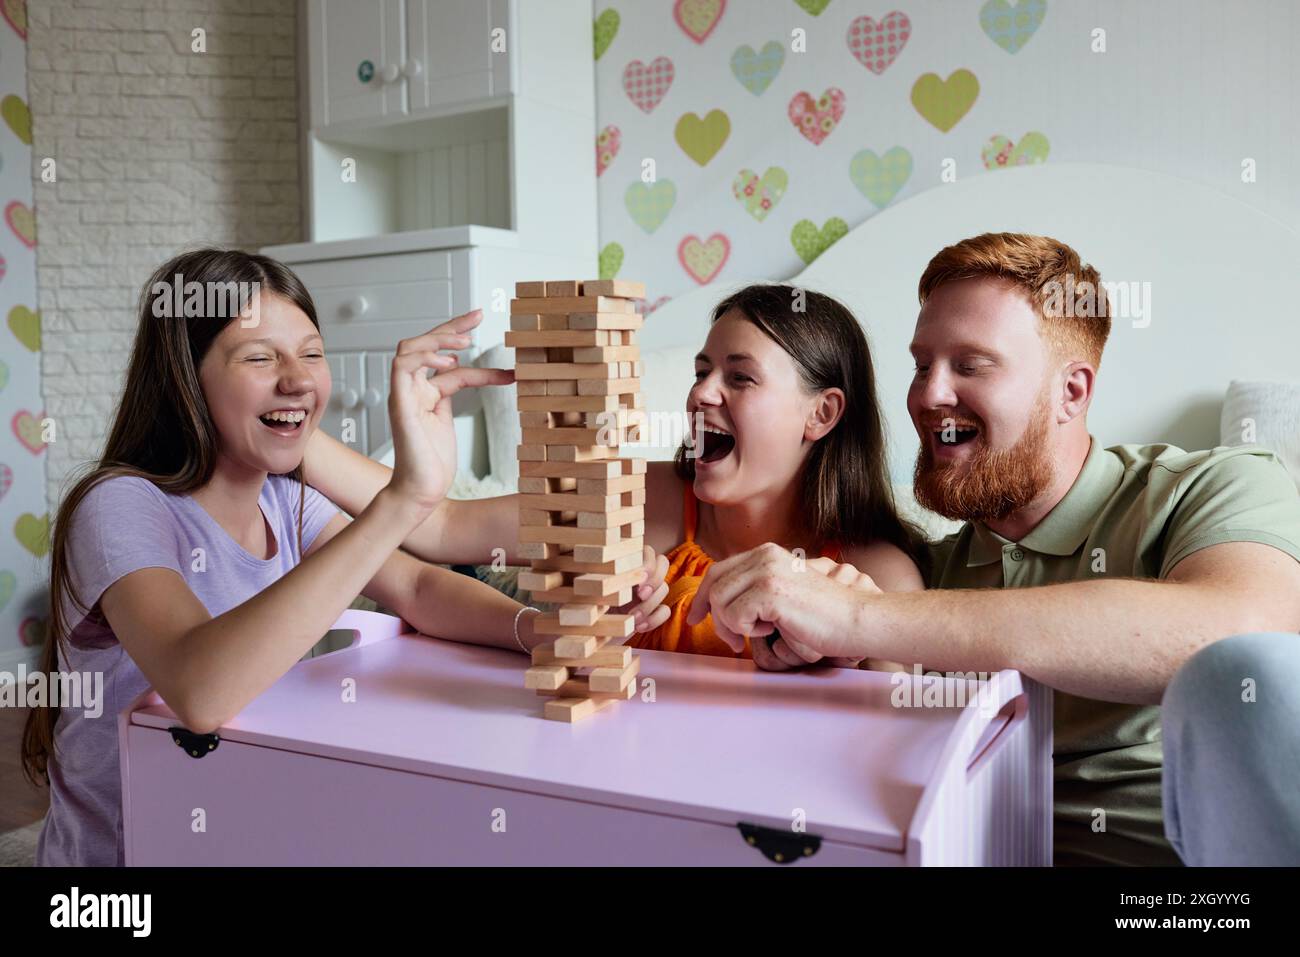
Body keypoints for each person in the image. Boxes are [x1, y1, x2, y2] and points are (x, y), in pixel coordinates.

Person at [21, 248, 668, 866]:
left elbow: (418, 585)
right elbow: (200, 690)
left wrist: (541, 627)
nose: (299, 379)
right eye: (258, 356)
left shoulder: (285, 501)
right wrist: (402, 498)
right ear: (185, 379)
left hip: (233, 828)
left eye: (312, 354)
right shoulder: (119, 506)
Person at [685, 233, 1300, 865]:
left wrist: (861, 619)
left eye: (970, 365)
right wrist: (808, 646)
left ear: (1072, 392)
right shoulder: (919, 576)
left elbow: (1240, 638)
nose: (928, 395)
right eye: (922, 364)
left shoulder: (1214, 487)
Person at [303, 284, 926, 671]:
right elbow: (441, 527)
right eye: (701, 369)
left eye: (739, 377)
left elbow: (892, 729)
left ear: (821, 413)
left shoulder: (877, 576)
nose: (700, 392)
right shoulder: (641, 496)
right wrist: (288, 439)